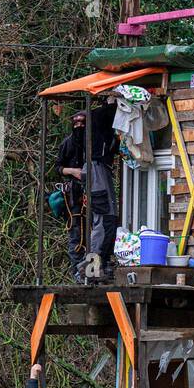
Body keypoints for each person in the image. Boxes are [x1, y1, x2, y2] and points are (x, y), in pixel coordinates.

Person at [56, 103, 120, 282]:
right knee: (87, 229)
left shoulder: (96, 135)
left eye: (81, 123)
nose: (79, 126)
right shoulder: (70, 143)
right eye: (75, 123)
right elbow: (57, 168)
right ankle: (86, 271)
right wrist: (73, 172)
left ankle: (93, 268)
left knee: (99, 224)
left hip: (91, 182)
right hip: (78, 190)